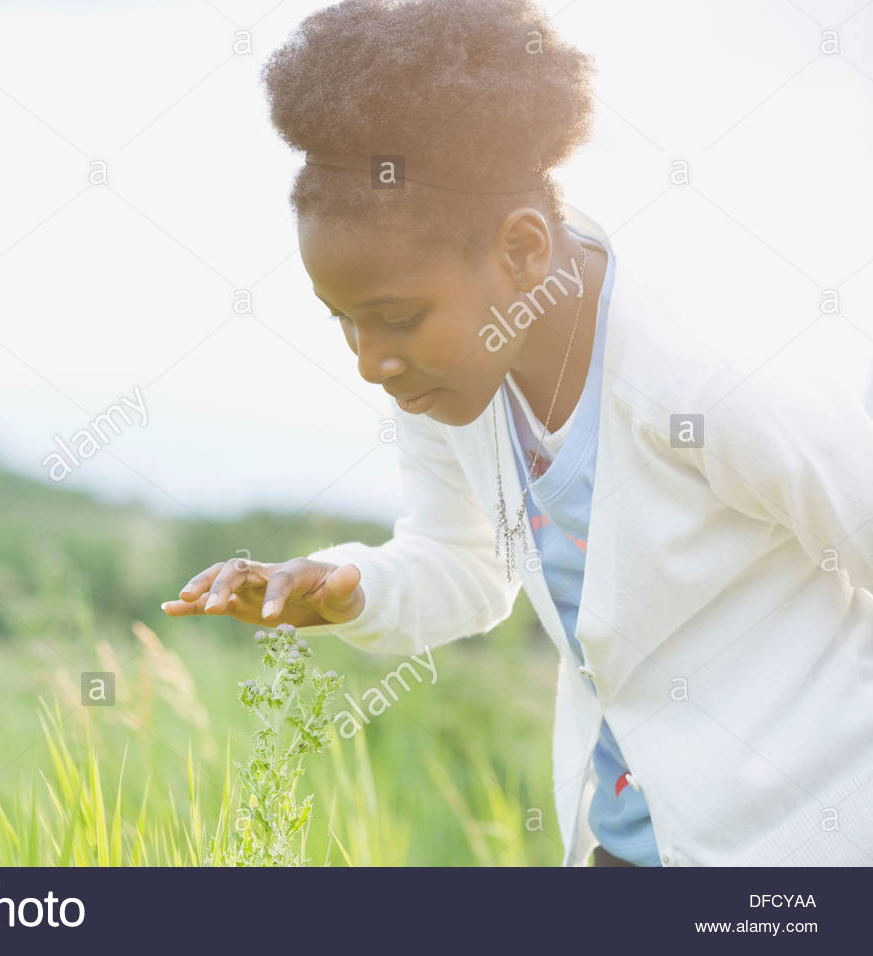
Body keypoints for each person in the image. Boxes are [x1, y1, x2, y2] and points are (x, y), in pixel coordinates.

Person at [161, 0, 873, 867]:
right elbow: (469, 566)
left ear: (525, 250)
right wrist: (352, 589)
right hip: (632, 846)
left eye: (396, 317)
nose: (369, 362)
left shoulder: (714, 375)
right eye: (344, 320)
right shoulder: (451, 379)